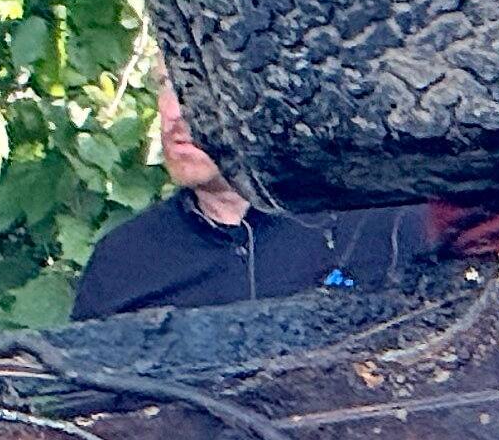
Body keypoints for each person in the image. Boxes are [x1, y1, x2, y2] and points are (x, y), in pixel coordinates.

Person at [70, 68, 449, 320]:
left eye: (198, 84)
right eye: (166, 85)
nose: (174, 112)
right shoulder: (122, 263)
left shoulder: (384, 223)